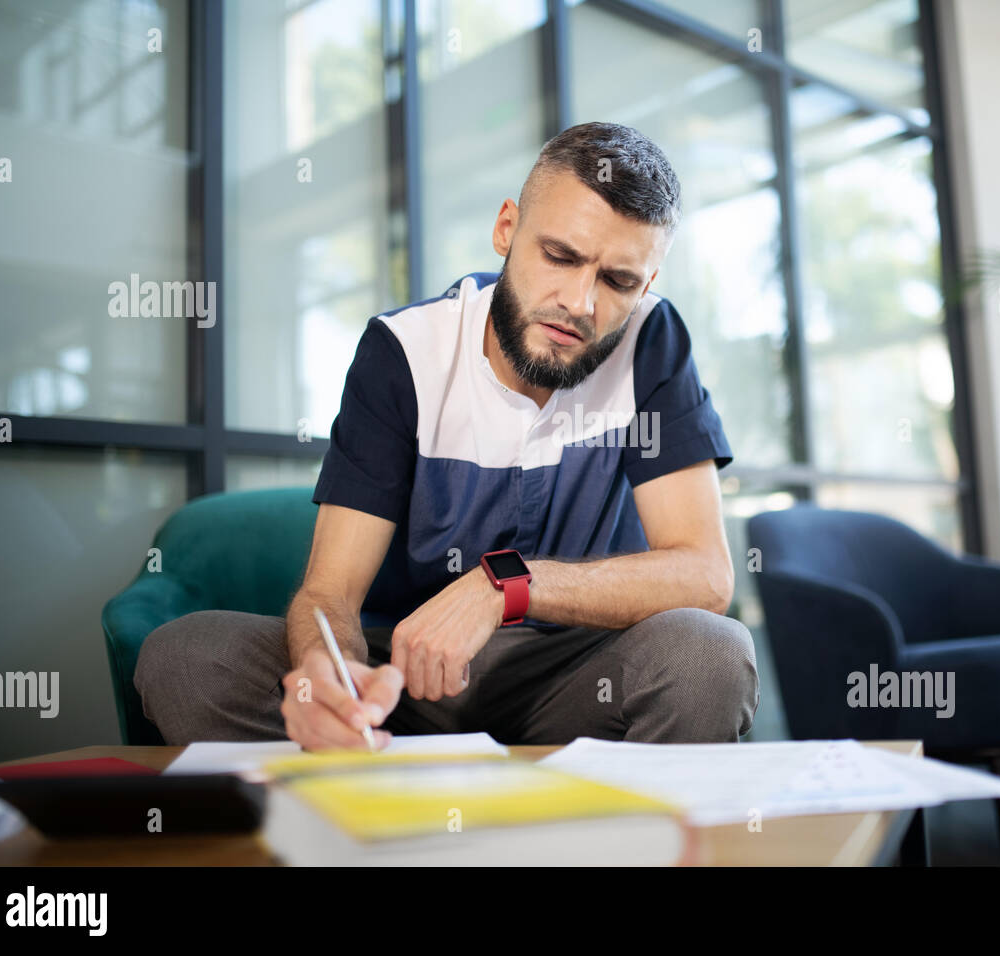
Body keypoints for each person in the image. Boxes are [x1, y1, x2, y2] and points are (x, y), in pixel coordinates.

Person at [135, 121, 759, 748]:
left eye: (617, 281)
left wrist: (506, 588)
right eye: (560, 256)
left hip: (579, 683)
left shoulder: (651, 340)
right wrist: (328, 675)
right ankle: (356, 805)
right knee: (187, 656)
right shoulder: (403, 352)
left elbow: (705, 576)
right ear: (506, 229)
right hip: (403, 687)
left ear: (645, 286)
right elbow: (330, 593)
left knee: (710, 653)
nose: (580, 303)